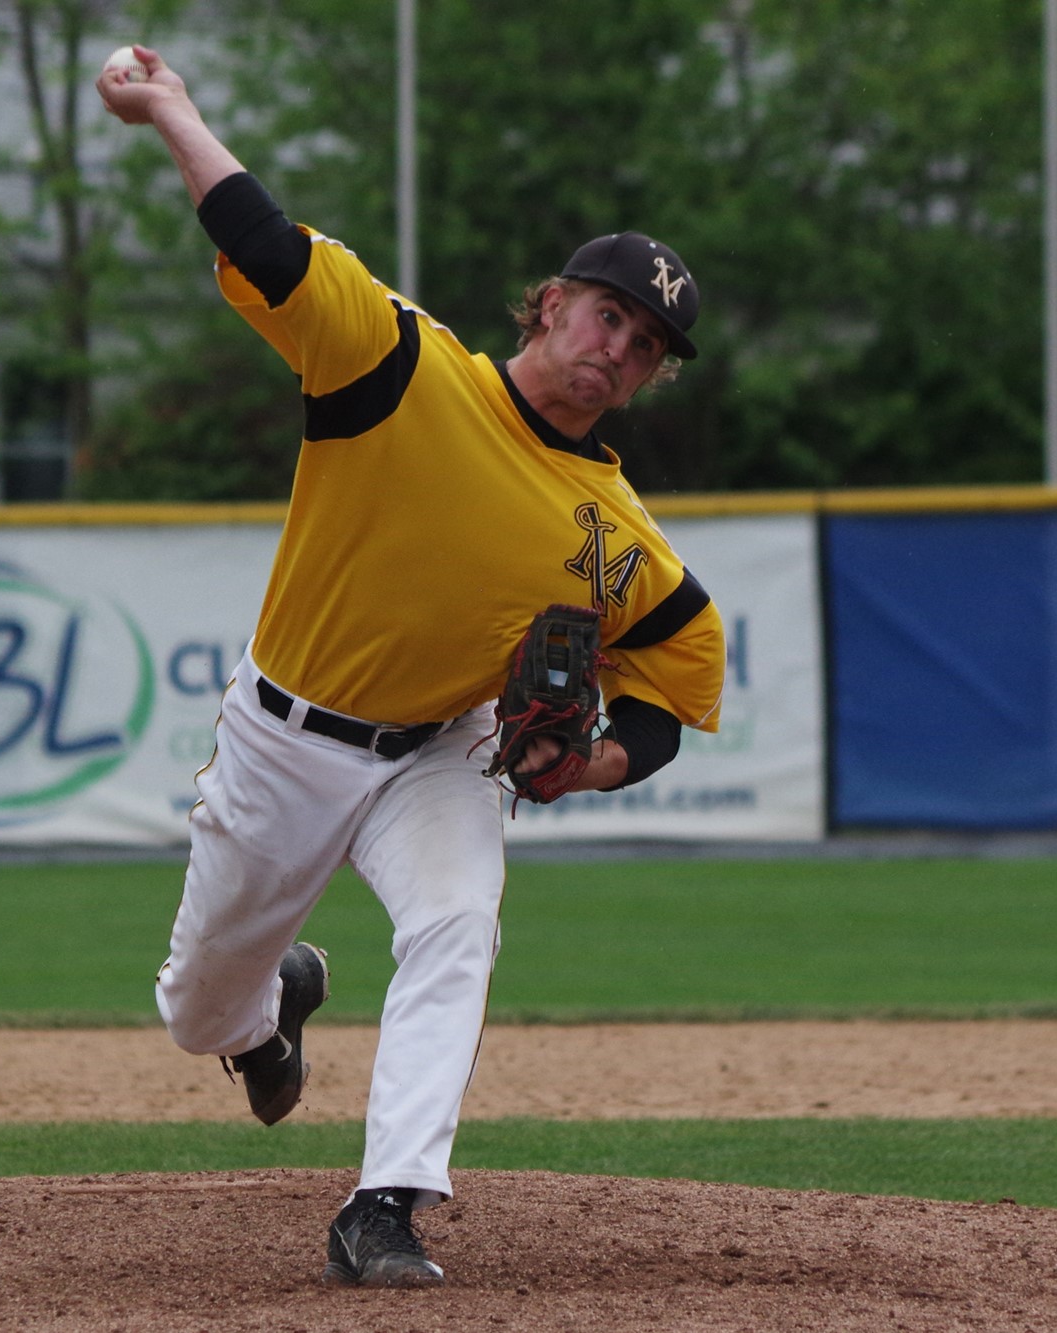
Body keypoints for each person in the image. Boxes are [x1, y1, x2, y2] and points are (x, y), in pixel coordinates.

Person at [97, 45, 726, 1288]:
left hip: (440, 753)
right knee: (193, 1013)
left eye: (646, 345)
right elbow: (270, 247)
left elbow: (680, 665)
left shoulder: (619, 538)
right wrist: (173, 111)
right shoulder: (398, 366)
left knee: (457, 919)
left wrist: (591, 764)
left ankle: (385, 1204)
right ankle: (270, 1003)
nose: (619, 348)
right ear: (549, 303)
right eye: (608, 313)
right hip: (283, 737)